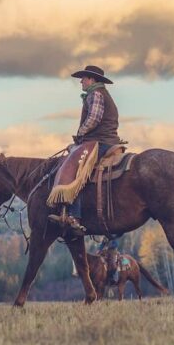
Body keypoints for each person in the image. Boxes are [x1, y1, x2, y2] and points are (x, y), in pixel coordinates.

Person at [48, 65, 122, 232]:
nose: (81, 81)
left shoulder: (96, 94)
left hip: (99, 141)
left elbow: (94, 119)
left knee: (77, 171)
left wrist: (80, 133)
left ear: (92, 79)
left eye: (83, 78)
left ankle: (74, 216)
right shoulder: (99, 94)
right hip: (105, 140)